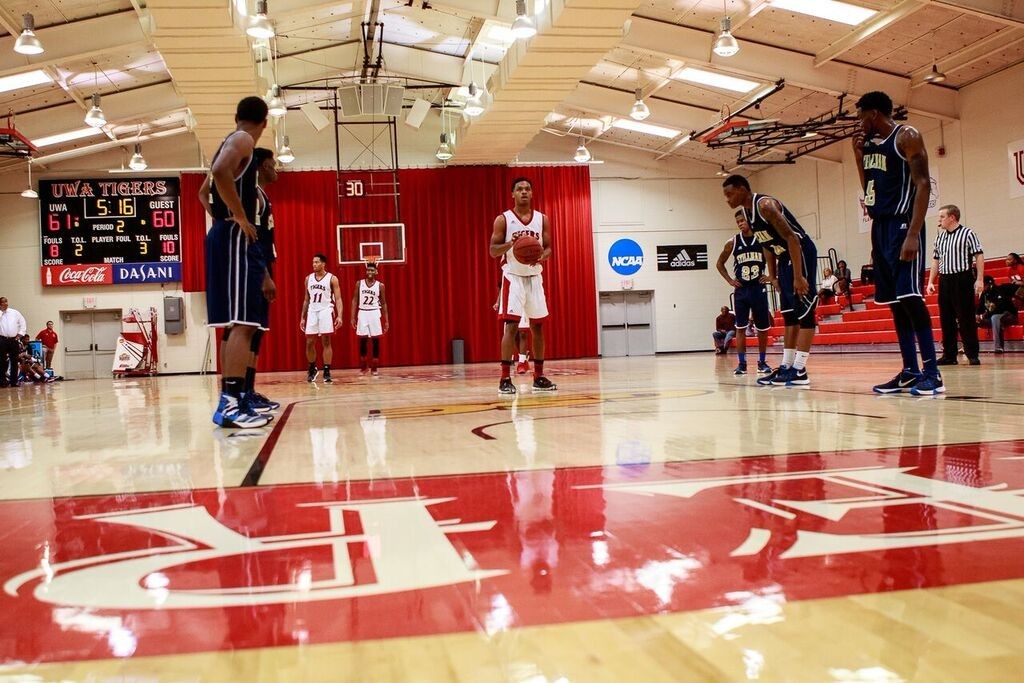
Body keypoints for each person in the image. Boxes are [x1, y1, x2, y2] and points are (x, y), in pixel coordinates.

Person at [854, 90, 943, 395]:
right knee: (894, 303)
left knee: (911, 299)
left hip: (904, 224)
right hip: (881, 227)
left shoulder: (906, 136)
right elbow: (868, 190)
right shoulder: (870, 146)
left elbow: (923, 184)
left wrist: (914, 234)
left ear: (874, 114)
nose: (858, 121)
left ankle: (933, 372)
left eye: (860, 115)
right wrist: (858, 154)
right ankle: (909, 370)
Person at [203, 95, 272, 428]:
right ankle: (230, 405)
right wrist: (239, 216)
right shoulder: (243, 139)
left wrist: (222, 216)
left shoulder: (229, 142)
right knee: (243, 323)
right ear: (265, 121)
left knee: (242, 323)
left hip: (226, 234)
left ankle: (237, 398)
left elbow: (205, 190)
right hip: (233, 236)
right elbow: (217, 173)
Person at [722, 174, 818, 387]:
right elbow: (766, 245)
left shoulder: (765, 206)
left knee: (804, 312)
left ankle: (800, 369)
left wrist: (799, 276)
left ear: (742, 189)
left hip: (799, 253)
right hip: (784, 258)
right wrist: (773, 276)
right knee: (789, 315)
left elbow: (793, 238)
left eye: (729, 194)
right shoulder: (748, 213)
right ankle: (786, 367)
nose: (727, 200)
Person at [490, 177, 556, 395]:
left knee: (538, 327)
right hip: (513, 277)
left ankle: (539, 376)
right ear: (513, 194)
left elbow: (548, 249)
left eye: (528, 189)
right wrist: (513, 244)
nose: (524, 192)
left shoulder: (542, 219)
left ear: (532, 193)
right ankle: (504, 379)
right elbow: (493, 250)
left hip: (534, 277)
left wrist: (540, 256)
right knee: (510, 327)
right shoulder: (504, 219)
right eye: (519, 189)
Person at [715, 210, 772, 374]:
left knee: (762, 328)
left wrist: (770, 276)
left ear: (750, 221)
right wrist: (730, 280)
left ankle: (762, 362)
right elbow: (719, 263)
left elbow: (777, 257)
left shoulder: (762, 240)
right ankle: (742, 364)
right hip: (741, 290)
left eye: (743, 220)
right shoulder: (732, 242)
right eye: (738, 221)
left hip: (758, 288)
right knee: (740, 328)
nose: (740, 223)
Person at [926, 204, 984, 366]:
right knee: (946, 319)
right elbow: (936, 260)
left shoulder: (968, 234)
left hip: (962, 278)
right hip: (945, 280)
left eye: (942, 217)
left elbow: (979, 255)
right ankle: (949, 355)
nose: (939, 220)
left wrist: (979, 279)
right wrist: (931, 281)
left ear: (952, 217)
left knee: (966, 318)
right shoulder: (940, 237)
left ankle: (972, 353)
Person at [301, 253, 343, 382]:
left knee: (326, 341)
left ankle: (326, 370)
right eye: (313, 262)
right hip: (313, 310)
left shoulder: (332, 278)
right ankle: (312, 368)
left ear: (323, 263)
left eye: (317, 262)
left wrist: (340, 316)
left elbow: (338, 298)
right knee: (309, 342)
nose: (314, 264)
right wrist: (302, 317)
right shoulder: (308, 279)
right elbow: (306, 299)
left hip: (326, 309)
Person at [350, 260, 389, 375]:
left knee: (375, 340)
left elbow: (384, 303)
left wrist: (386, 320)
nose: (369, 272)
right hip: (362, 312)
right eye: (368, 270)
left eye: (372, 270)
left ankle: (375, 367)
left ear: (376, 272)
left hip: (374, 312)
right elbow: (354, 300)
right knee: (363, 340)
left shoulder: (380, 285)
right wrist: (352, 316)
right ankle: (364, 366)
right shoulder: (359, 283)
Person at [493, 281, 532, 374]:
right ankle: (521, 356)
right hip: (511, 302)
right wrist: (498, 302)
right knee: (512, 333)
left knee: (523, 333)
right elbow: (502, 289)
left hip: (524, 303)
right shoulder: (507, 271)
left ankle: (522, 362)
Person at [976, 275, 1016, 353]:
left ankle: (998, 347)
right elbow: (980, 308)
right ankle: (970, 347)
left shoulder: (1000, 291)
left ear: (989, 284)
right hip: (992, 318)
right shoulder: (984, 295)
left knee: (995, 317)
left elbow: (999, 308)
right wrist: (977, 315)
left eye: (983, 285)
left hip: (1008, 315)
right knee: (972, 319)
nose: (981, 287)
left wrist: (985, 315)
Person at [0, 297, 28, 388]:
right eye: (3, 302)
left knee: (14, 361)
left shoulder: (14, 312)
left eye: (6, 302)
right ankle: (2, 381)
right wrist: (1, 312)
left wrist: (20, 334)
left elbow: (22, 323)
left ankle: (14, 381)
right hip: (2, 339)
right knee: (2, 361)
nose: (6, 304)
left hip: (13, 340)